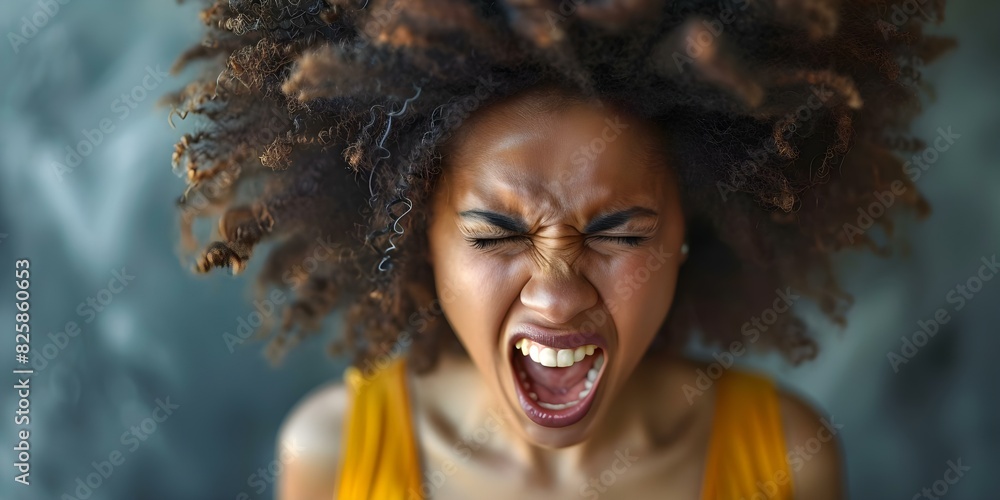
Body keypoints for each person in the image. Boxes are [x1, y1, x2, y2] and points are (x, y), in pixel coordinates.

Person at [167, 0, 952, 498]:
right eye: (496, 235)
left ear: (690, 236)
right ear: (419, 243)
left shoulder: (784, 457)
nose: (556, 293)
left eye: (620, 233)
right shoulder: (336, 456)